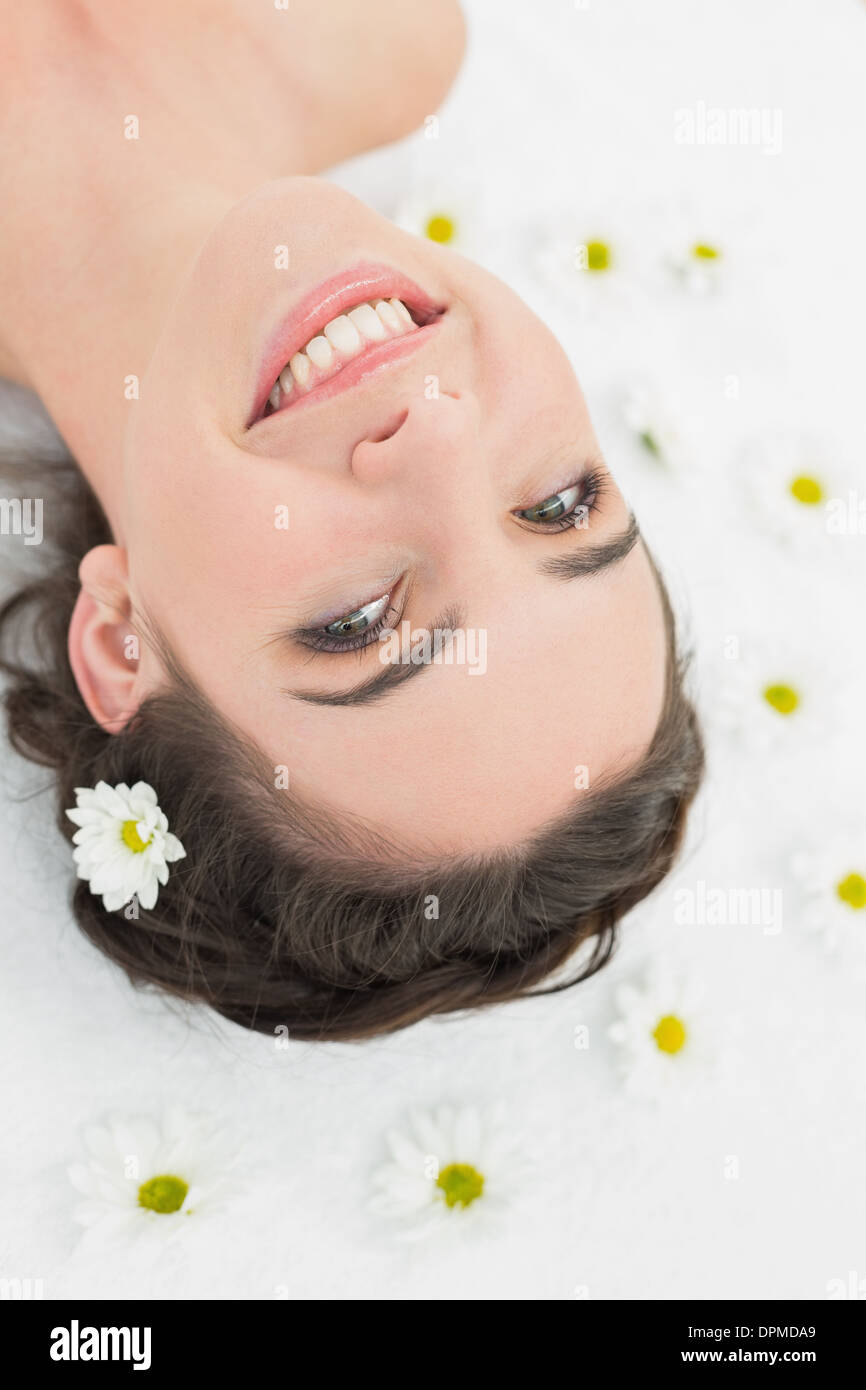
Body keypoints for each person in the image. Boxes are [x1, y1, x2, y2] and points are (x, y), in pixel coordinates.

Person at [0, 1, 703, 1040]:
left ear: (118, 640)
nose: (434, 435)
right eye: (558, 506)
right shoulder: (385, 37)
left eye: (359, 620)